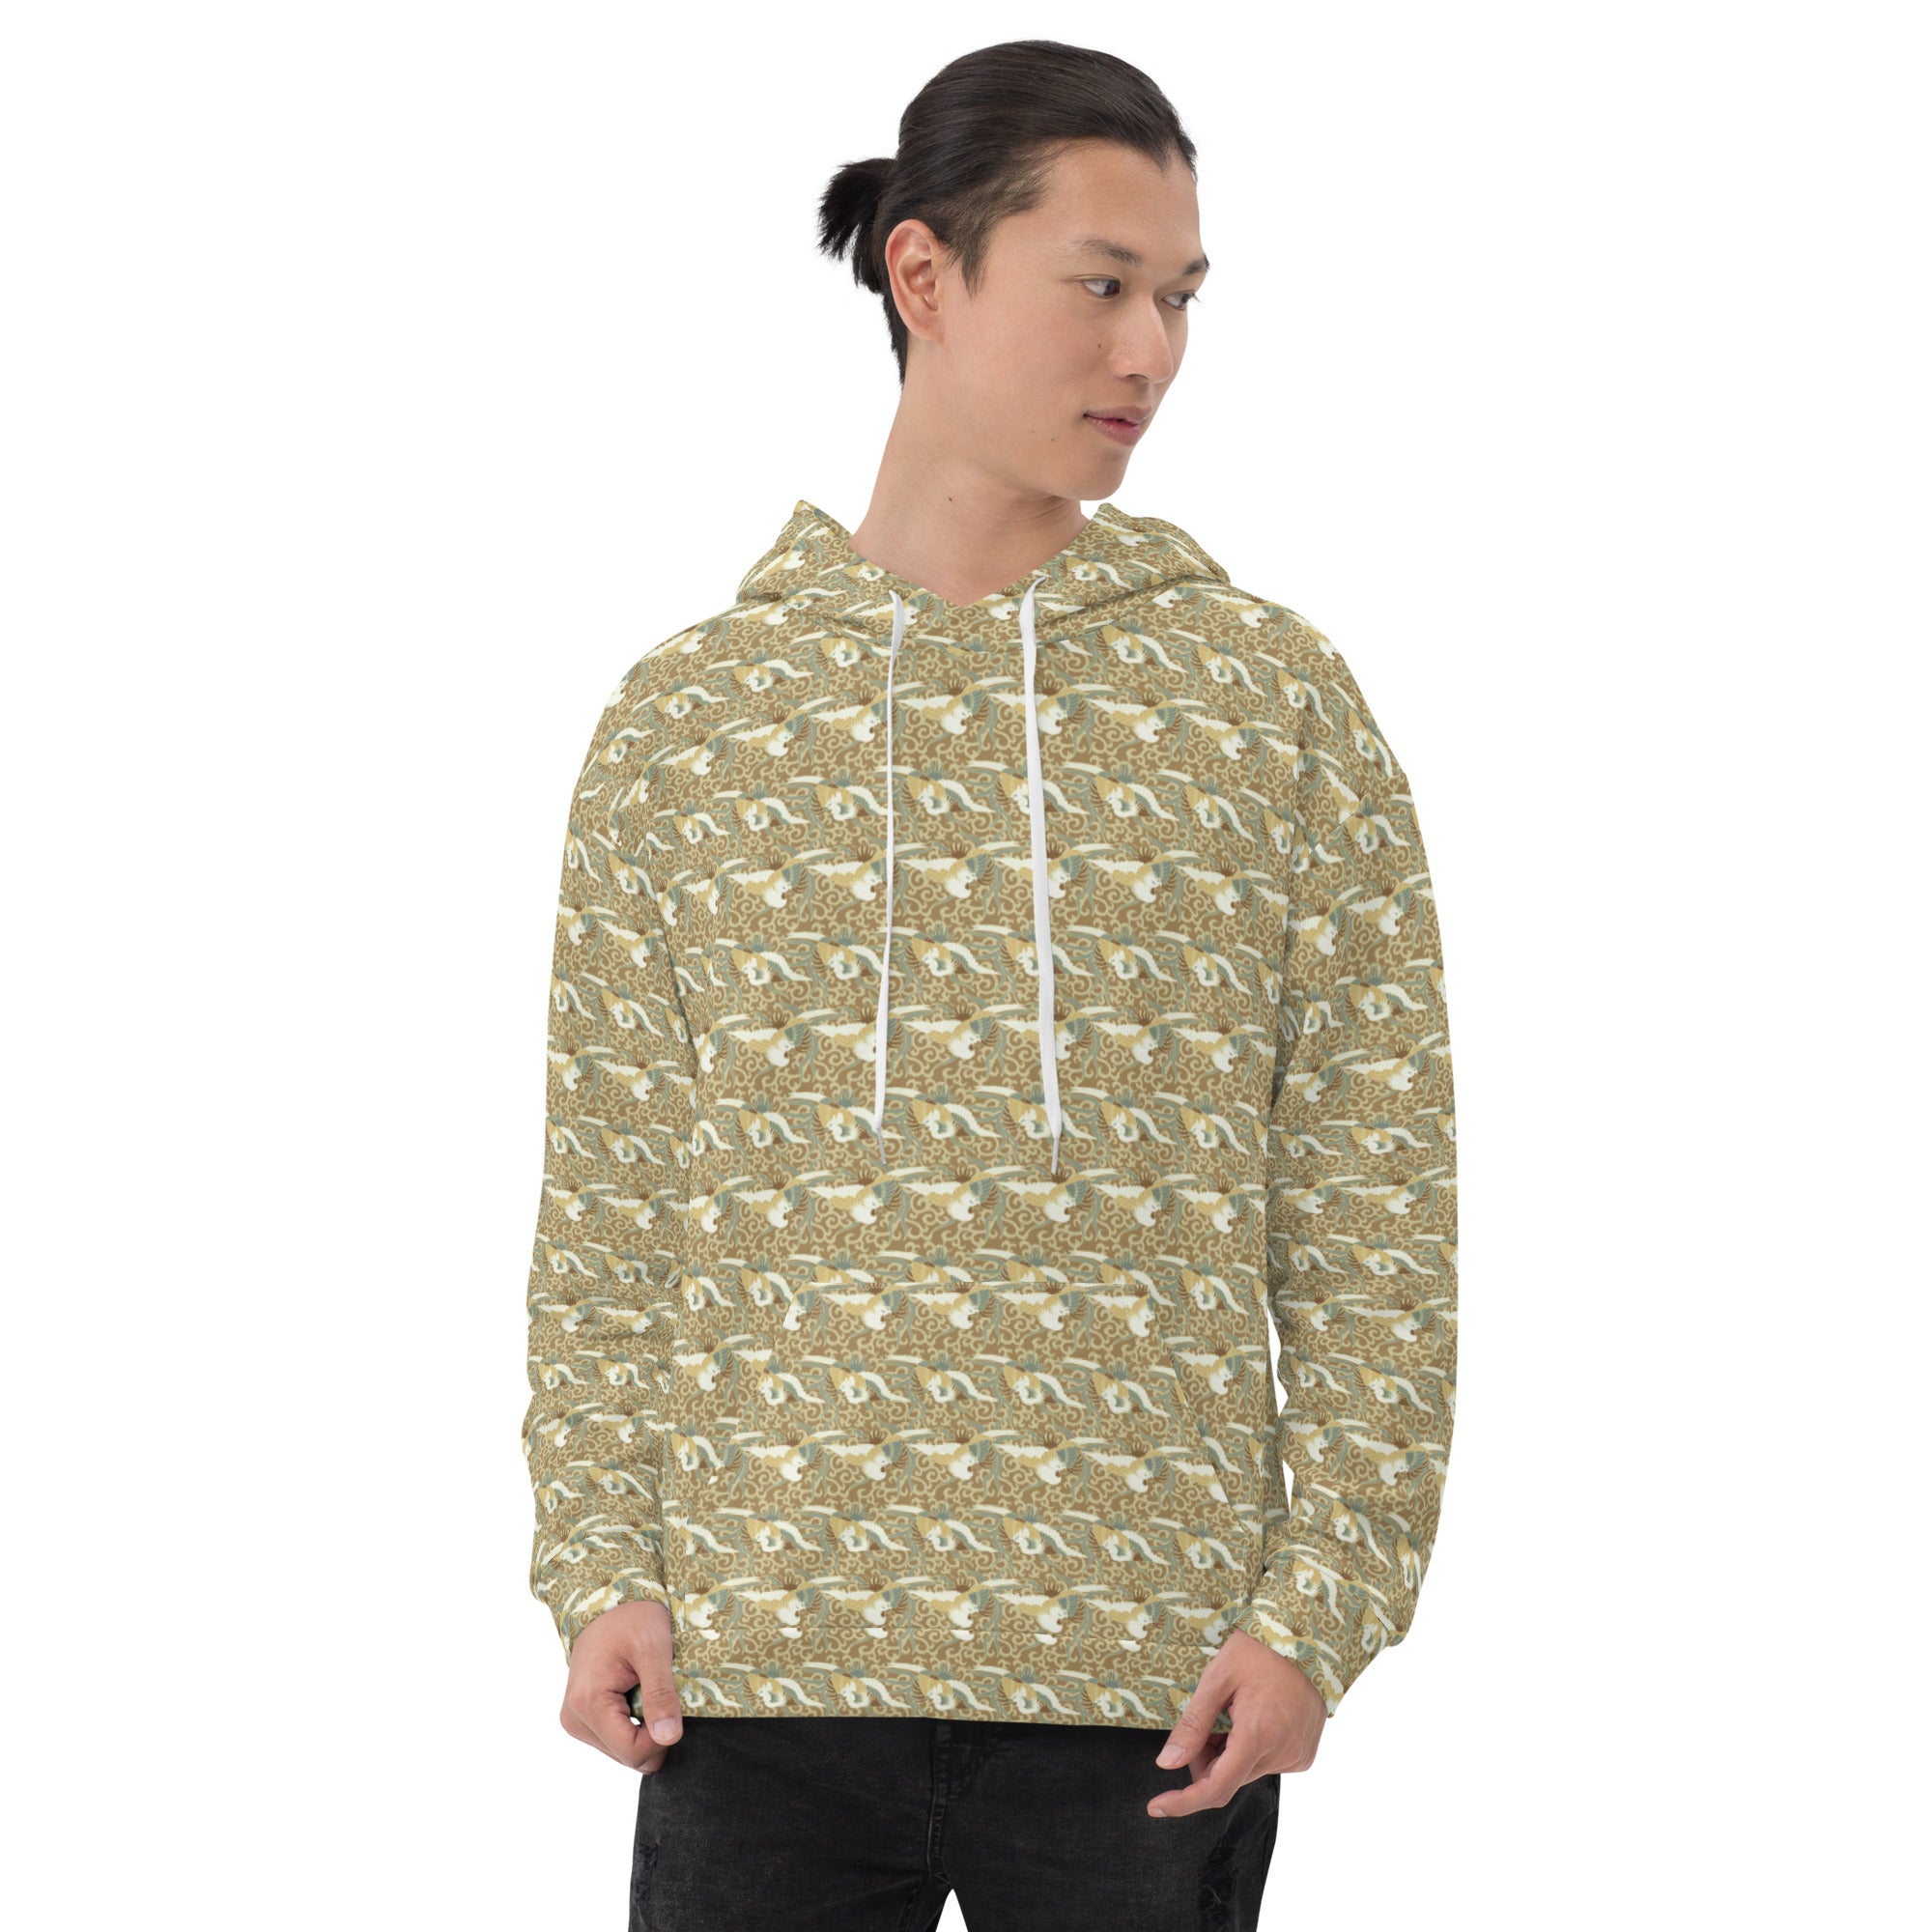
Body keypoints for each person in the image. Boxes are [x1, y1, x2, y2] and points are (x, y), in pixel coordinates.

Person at [521, 38, 1459, 1932]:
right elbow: (616, 1198)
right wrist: (598, 1562)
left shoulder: (1268, 704)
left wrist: (1319, 1611)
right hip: (752, 1672)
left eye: (1179, 298)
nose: (1149, 352)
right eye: (1101, 284)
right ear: (924, 275)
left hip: (1155, 1686)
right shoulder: (690, 721)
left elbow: (1373, 1198)